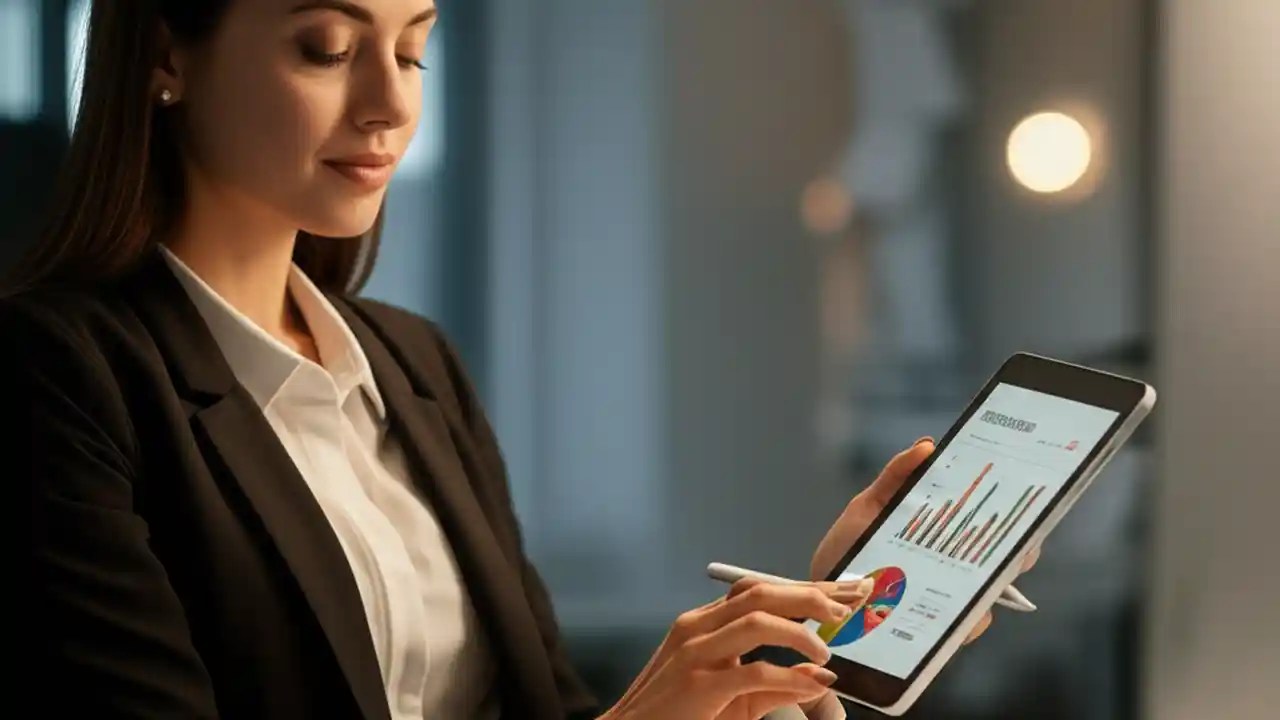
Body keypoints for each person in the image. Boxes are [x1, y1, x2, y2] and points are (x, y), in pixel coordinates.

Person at [7, 2, 1033, 718]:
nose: (388, 104)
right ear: (167, 57)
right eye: (324, 48)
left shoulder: (412, 366)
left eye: (412, 51)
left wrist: (805, 637)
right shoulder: (59, 373)